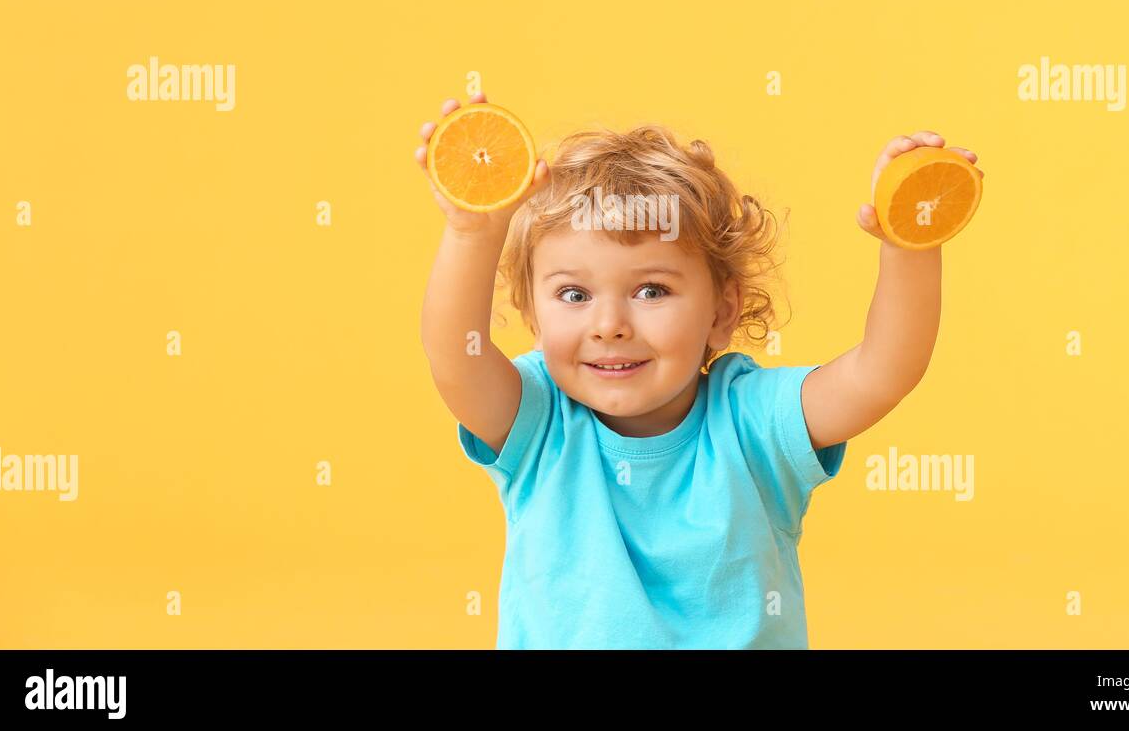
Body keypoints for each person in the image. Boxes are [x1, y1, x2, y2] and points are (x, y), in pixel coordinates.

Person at [416, 93, 980, 648]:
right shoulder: (539, 425)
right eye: (573, 293)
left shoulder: (751, 422)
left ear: (722, 311)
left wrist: (910, 247)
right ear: (532, 312)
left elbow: (882, 371)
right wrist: (472, 235)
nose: (609, 324)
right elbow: (454, 359)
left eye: (651, 289)